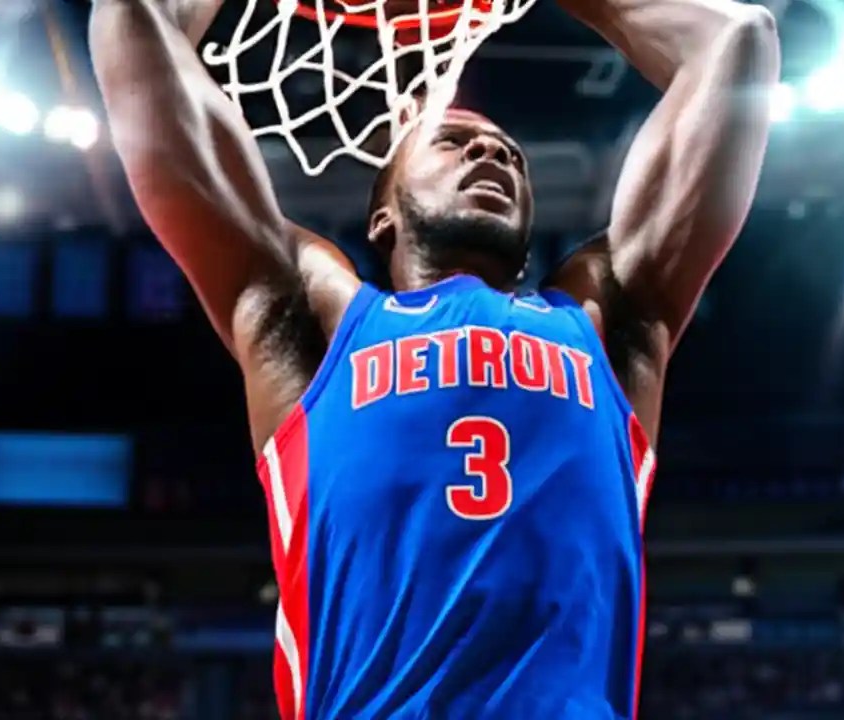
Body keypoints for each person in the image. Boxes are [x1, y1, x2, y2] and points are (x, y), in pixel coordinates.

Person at [90, 0, 779, 716]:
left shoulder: (609, 319)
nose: (490, 154)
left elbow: (737, 39)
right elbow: (136, 21)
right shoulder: (317, 324)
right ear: (382, 214)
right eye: (452, 142)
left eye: (511, 156)